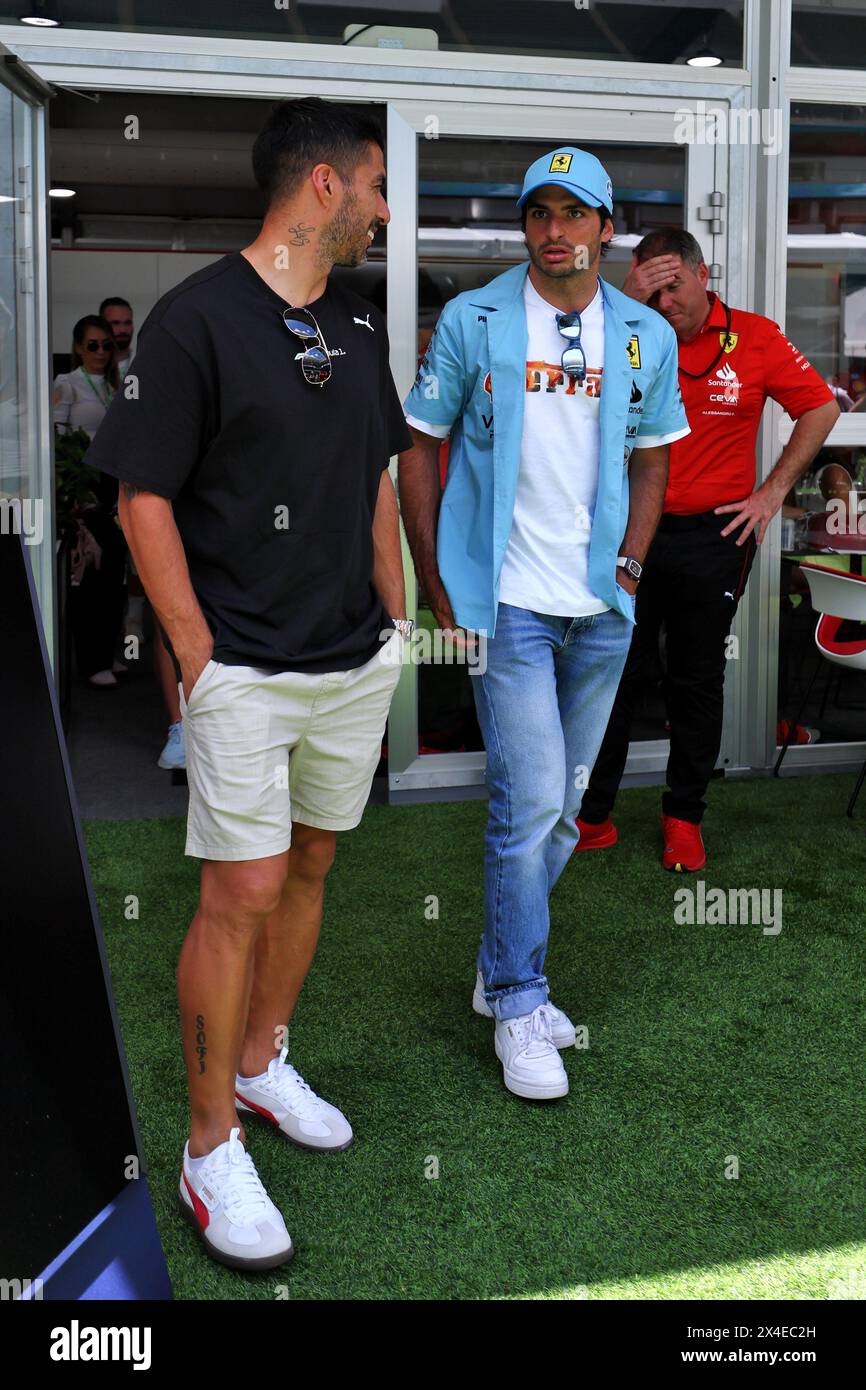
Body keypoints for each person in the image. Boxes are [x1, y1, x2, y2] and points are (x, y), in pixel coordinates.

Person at [84, 97, 411, 1271]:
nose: (381, 206)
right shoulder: (192, 323)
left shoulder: (359, 325)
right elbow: (141, 496)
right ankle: (208, 1140)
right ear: (322, 185)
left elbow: (375, 471)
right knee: (243, 889)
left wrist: (398, 604)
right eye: (372, 184)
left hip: (351, 656)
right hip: (245, 669)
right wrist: (192, 650)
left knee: (313, 860)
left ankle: (265, 1061)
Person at [398, 147, 689, 1101]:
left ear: (608, 229)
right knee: (524, 809)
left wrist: (634, 566)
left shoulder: (645, 333)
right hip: (509, 603)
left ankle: (496, 967)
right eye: (538, 214)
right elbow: (421, 445)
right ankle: (520, 999)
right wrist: (437, 570)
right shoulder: (476, 320)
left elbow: (653, 458)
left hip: (602, 609)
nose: (555, 231)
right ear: (524, 226)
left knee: (563, 811)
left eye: (575, 214)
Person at [575, 229, 839, 871]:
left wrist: (772, 492)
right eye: (651, 289)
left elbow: (821, 407)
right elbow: (568, 372)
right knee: (616, 671)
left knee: (696, 679)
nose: (665, 303)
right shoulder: (620, 331)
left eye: (674, 286)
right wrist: (618, 299)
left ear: (702, 275)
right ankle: (591, 816)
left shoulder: (754, 336)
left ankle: (683, 818)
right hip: (628, 532)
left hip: (714, 536)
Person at [53, 314, 128, 688]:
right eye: (93, 345)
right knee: (91, 577)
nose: (100, 352)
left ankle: (106, 653)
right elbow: (55, 436)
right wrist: (70, 493)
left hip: (114, 487)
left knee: (115, 575)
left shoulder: (120, 384)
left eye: (107, 345)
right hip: (83, 488)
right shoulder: (66, 384)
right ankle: (90, 660)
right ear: (79, 347)